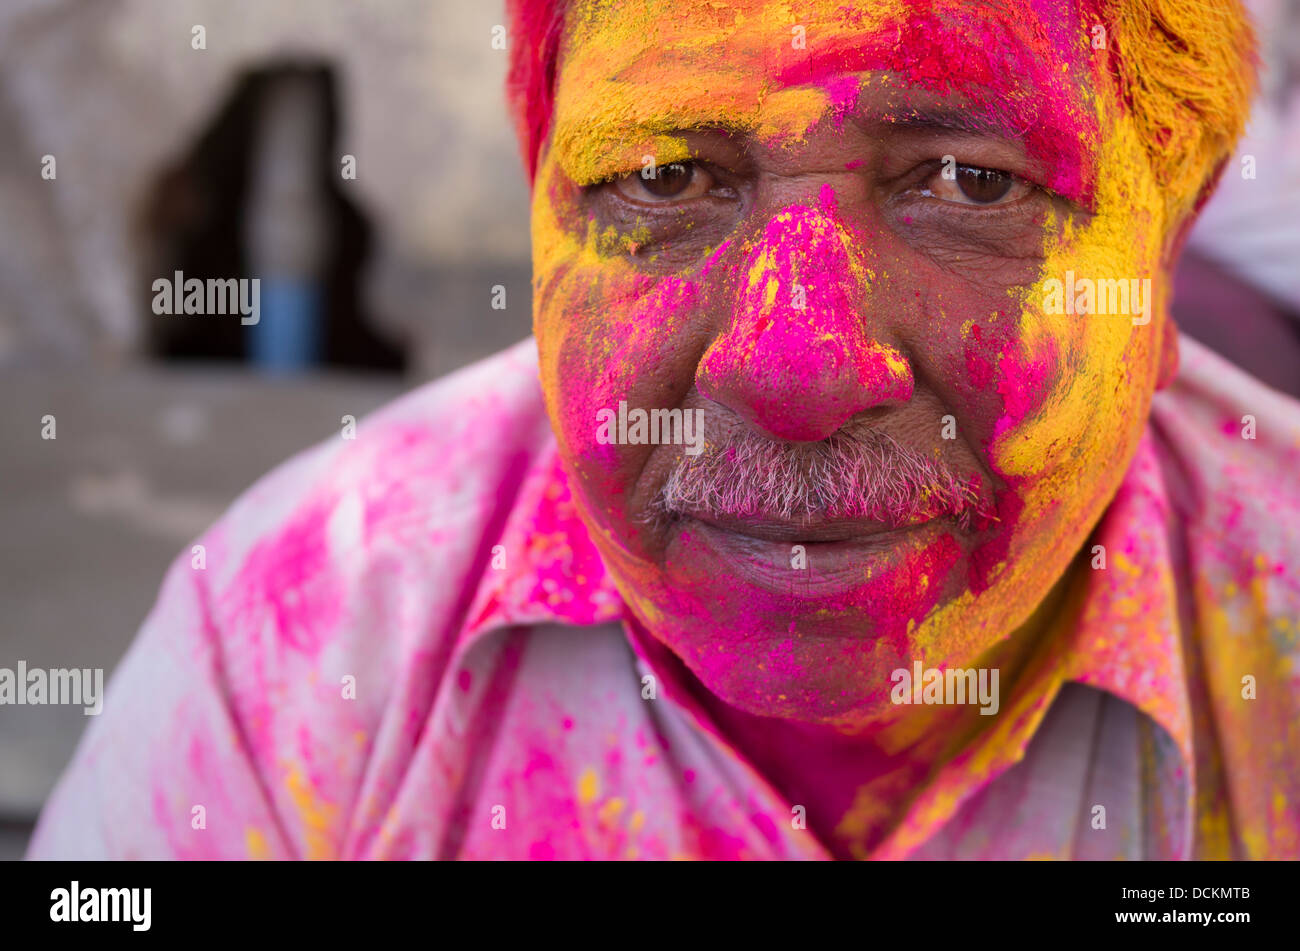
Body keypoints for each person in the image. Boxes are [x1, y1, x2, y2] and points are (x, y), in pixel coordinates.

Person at [29, 0, 1299, 860]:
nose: (797, 366)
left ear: (1170, 240)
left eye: (972, 183)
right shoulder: (301, 632)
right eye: (664, 178)